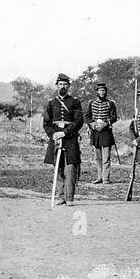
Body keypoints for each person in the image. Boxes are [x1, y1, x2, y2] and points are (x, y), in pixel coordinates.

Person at [43, 72, 83, 205]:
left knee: (70, 167)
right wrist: (54, 135)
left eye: (65, 84)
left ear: (69, 86)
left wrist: (64, 133)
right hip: (55, 138)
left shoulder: (75, 102)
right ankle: (61, 197)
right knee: (58, 168)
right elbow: (46, 124)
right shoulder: (51, 103)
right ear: (56, 86)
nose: (63, 86)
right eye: (60, 84)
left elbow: (78, 121)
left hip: (70, 138)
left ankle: (69, 197)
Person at [83, 80, 118, 184]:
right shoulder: (91, 103)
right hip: (95, 132)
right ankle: (99, 177)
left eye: (104, 91)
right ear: (97, 92)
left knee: (106, 157)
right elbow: (87, 116)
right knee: (98, 157)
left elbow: (114, 117)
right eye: (100, 90)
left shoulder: (110, 103)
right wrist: (92, 125)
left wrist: (106, 123)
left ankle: (106, 178)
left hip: (106, 132)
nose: (102, 93)